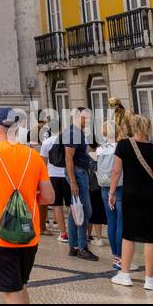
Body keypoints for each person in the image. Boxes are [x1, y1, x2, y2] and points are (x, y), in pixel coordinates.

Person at [0, 110, 54, 304]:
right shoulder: (34, 156)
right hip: (28, 234)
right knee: (21, 286)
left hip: (0, 234)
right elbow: (49, 197)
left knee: (10, 293)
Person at [110, 114, 153, 290]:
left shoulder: (123, 145)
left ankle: (125, 275)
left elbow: (116, 171)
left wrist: (111, 191)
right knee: (150, 237)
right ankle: (150, 279)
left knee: (128, 235)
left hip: (130, 195)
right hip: (150, 197)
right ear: (147, 128)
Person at [63, 108, 98, 261]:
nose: (88, 120)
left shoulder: (78, 132)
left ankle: (74, 246)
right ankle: (82, 247)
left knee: (75, 210)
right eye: (86, 117)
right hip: (77, 174)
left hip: (79, 173)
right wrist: (73, 182)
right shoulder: (73, 133)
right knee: (85, 210)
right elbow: (68, 158)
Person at [95, 120, 123, 269]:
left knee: (111, 222)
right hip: (119, 186)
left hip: (104, 187)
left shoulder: (100, 149)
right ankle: (122, 257)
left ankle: (115, 257)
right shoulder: (120, 148)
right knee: (121, 222)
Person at [39, 122, 70, 245]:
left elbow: (43, 163)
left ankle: (63, 233)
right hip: (67, 175)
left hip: (52, 176)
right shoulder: (67, 140)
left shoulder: (46, 143)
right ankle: (74, 231)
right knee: (70, 204)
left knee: (57, 205)